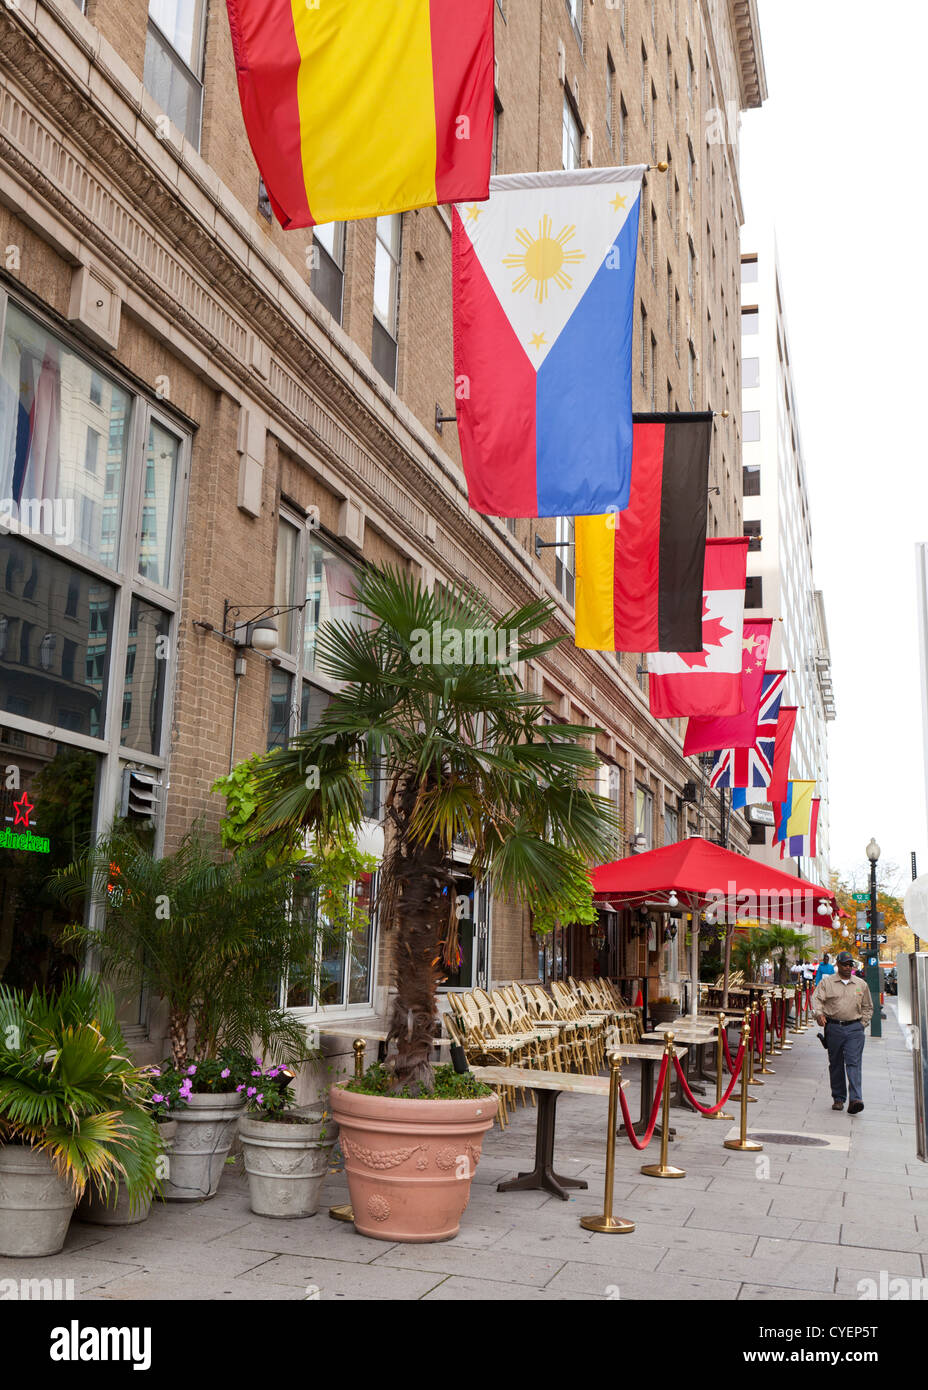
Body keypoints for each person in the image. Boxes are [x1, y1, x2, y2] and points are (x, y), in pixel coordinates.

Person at [811, 949, 873, 1113]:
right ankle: (838, 1098)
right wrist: (818, 1014)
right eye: (844, 964)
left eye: (850, 964)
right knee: (836, 1064)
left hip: (854, 1028)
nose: (847, 967)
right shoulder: (827, 983)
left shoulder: (861, 984)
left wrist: (862, 1024)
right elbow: (816, 999)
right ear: (837, 964)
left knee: (853, 1063)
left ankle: (856, 1099)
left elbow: (868, 1007)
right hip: (834, 1027)